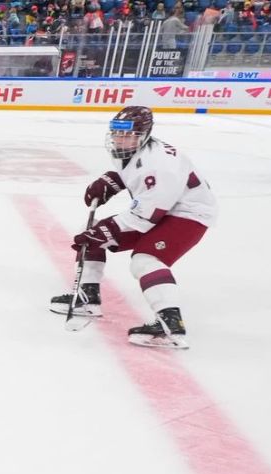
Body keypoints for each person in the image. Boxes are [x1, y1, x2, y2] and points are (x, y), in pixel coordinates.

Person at [50, 106, 217, 348]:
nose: (120, 140)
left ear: (145, 134)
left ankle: (171, 326)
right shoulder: (137, 148)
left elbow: (147, 215)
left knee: (145, 260)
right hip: (164, 209)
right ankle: (88, 298)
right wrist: (113, 180)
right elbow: (133, 173)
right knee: (95, 232)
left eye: (127, 135)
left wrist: (109, 231)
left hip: (188, 215)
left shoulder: (159, 166)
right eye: (117, 134)